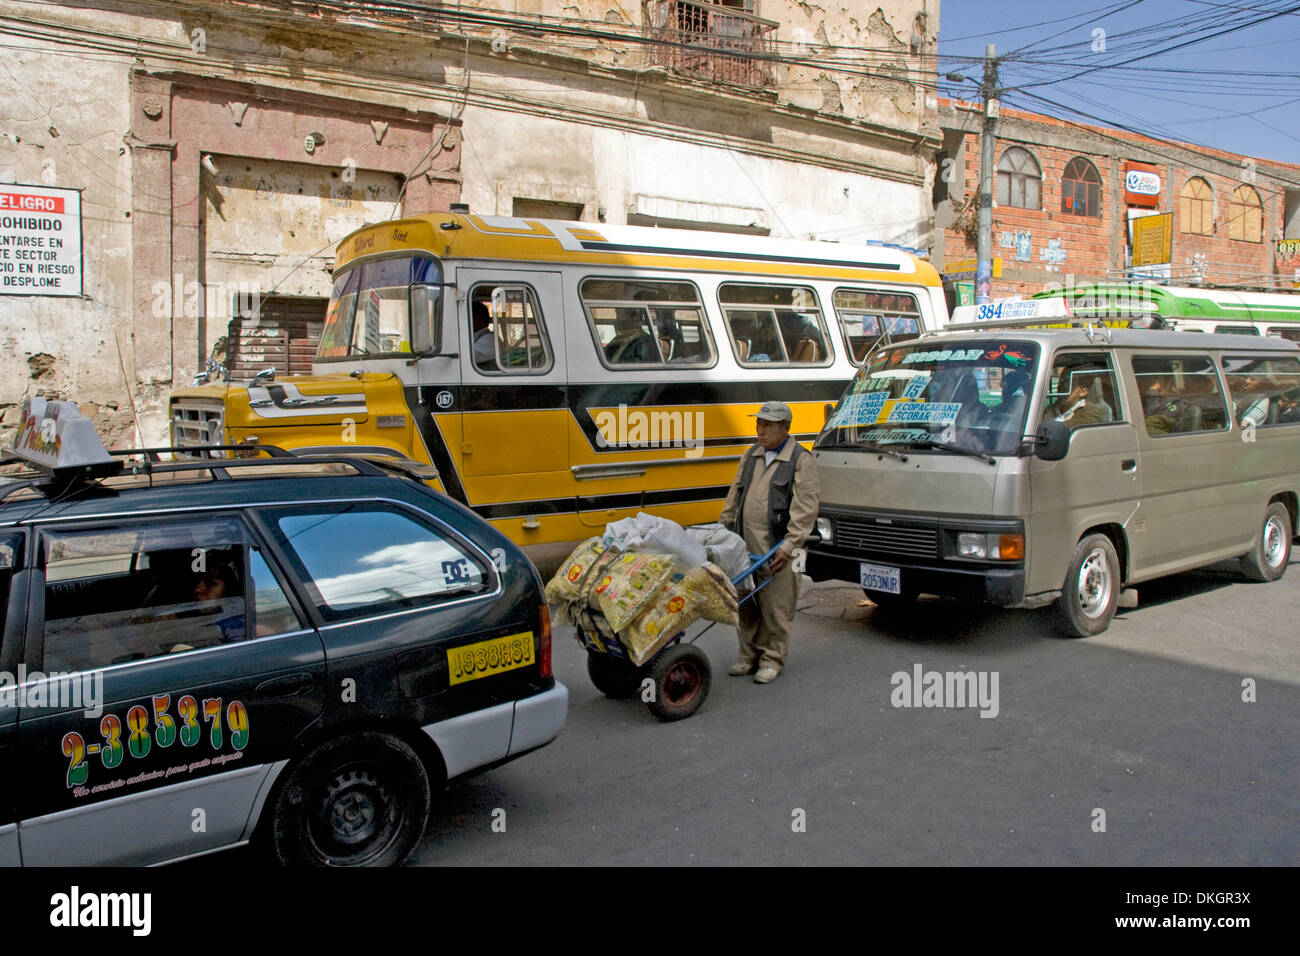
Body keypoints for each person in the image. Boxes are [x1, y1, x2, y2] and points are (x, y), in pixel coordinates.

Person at [717, 400, 821, 684]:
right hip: (745, 544)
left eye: (768, 425)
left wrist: (790, 546)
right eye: (758, 423)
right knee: (745, 603)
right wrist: (722, 529)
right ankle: (747, 655)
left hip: (779, 547)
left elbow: (805, 509)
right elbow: (735, 495)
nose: (760, 430)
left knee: (777, 606)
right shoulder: (751, 455)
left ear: (784, 428)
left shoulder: (801, 459)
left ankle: (772, 658)